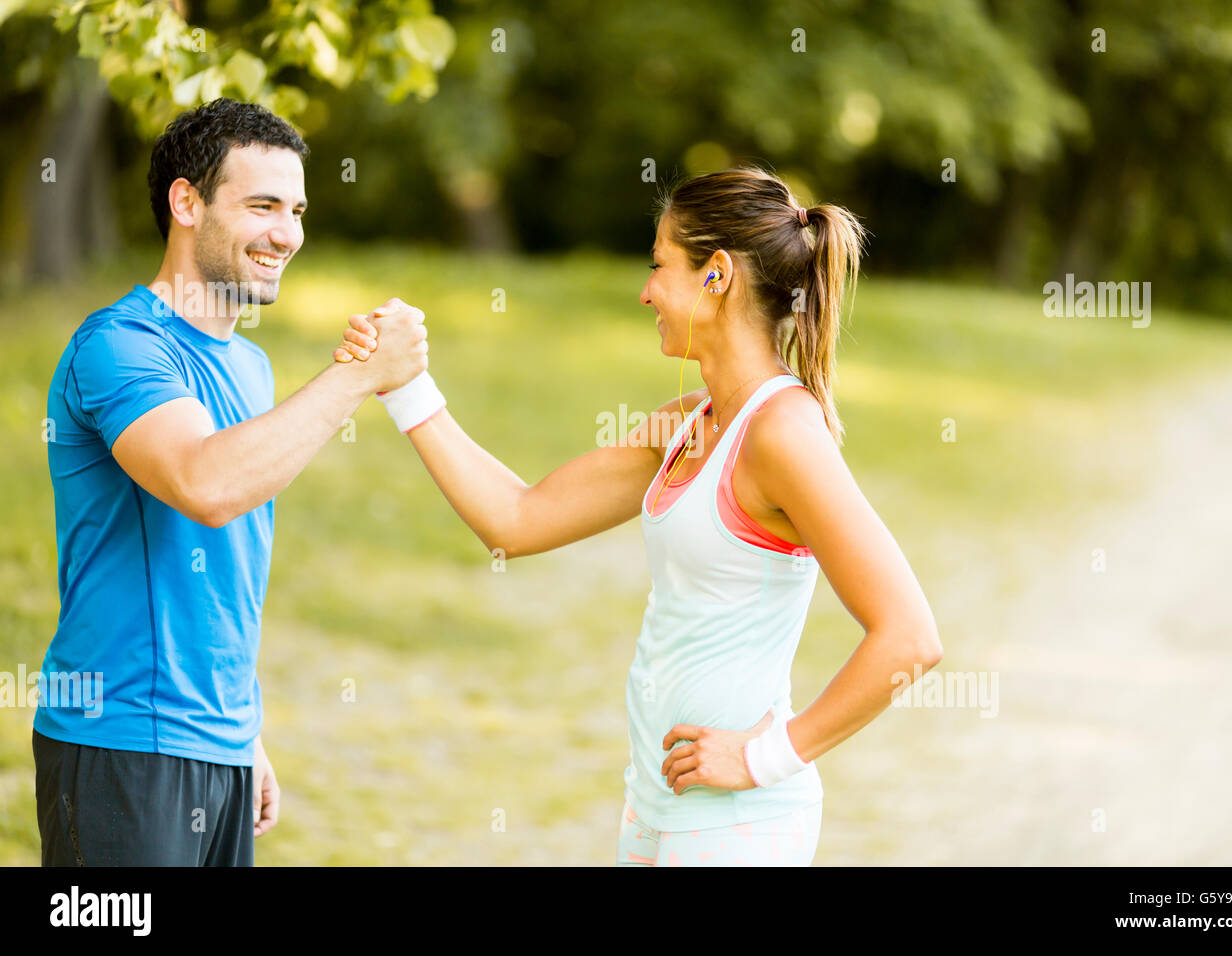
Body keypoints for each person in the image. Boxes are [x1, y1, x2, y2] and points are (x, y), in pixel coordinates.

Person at [337, 166, 943, 866]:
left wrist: (767, 756)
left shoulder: (781, 434)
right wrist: (407, 386)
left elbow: (909, 638)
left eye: (660, 265)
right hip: (657, 809)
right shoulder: (686, 425)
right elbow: (517, 518)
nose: (645, 290)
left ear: (716, 275)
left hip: (739, 825)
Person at [33, 97, 429, 866]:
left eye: (298, 209)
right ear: (187, 202)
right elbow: (204, 487)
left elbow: (225, 574)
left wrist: (242, 728)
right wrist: (357, 377)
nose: (289, 233)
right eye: (263, 206)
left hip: (216, 745)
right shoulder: (119, 346)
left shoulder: (248, 362)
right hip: (122, 741)